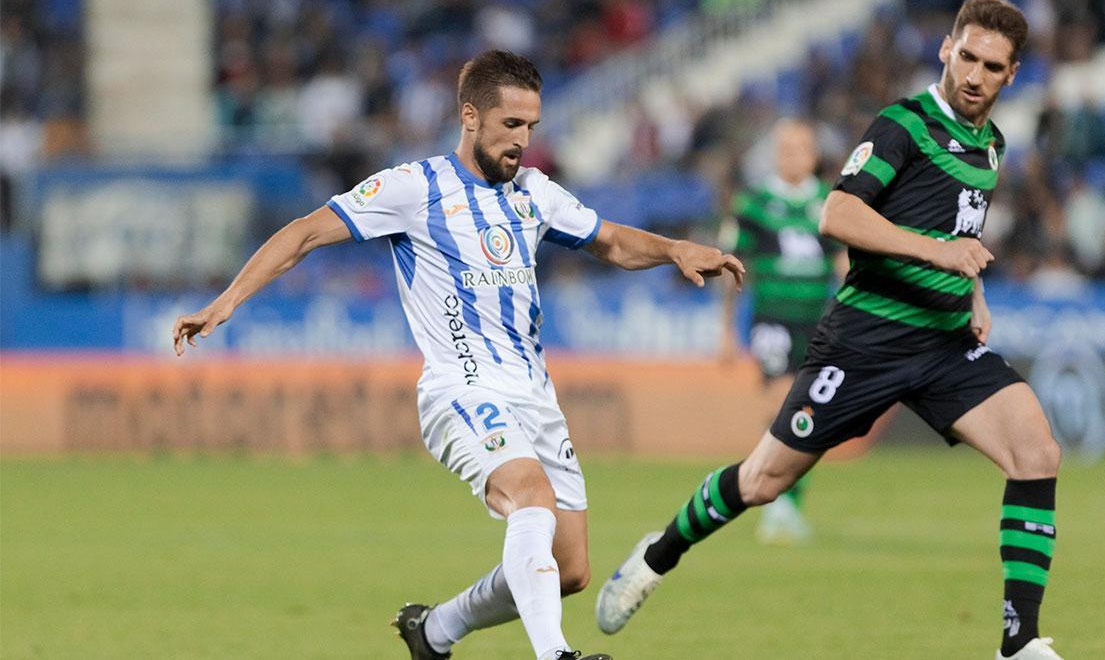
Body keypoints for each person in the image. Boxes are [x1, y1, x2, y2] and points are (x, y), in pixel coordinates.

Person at [172, 49, 744, 660]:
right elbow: (306, 231)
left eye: (531, 127)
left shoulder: (534, 193)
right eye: (511, 126)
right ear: (471, 117)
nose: (523, 141)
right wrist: (228, 300)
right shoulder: (413, 188)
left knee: (570, 568)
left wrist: (676, 248)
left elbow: (608, 240)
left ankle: (436, 629)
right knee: (531, 497)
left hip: (535, 396)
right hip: (462, 389)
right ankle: (555, 656)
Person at [596, 0, 1064, 659]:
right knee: (762, 481)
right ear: (945, 50)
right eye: (967, 57)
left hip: (943, 340)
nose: (974, 75)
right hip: (865, 339)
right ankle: (659, 552)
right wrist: (936, 253)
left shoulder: (992, 145)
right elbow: (838, 215)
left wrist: (974, 290)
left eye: (992, 66)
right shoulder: (902, 125)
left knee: (1037, 453)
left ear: (1011, 75)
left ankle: (1017, 642)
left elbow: (960, 232)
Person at [719, 118, 846, 545]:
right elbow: (732, 270)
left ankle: (789, 501)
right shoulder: (753, 204)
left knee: (811, 412)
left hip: (818, 321)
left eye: (801, 147)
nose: (793, 155)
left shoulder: (832, 202)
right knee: (782, 402)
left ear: (813, 154)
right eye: (786, 148)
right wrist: (725, 332)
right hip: (772, 318)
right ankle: (775, 502)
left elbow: (844, 263)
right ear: (777, 153)